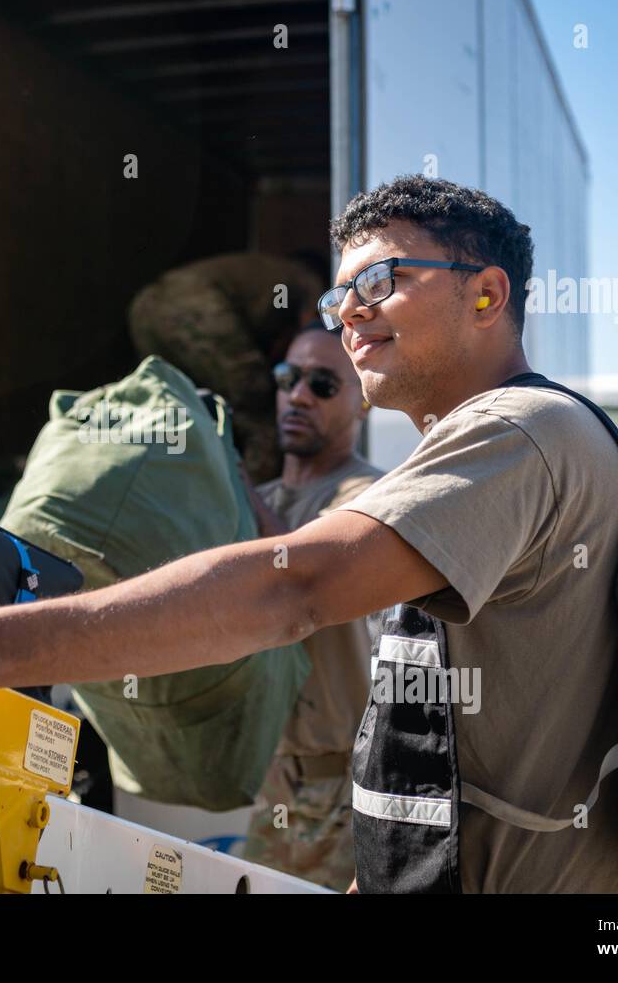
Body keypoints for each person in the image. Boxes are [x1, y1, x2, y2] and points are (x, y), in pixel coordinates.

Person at [0, 176, 618, 894]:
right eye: (341, 296)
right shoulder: (491, 448)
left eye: (382, 281)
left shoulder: (519, 432)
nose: (352, 312)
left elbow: (293, 588)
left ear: (488, 295)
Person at [239, 321, 381, 891]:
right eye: (288, 378)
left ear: (362, 402)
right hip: (273, 787)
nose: (297, 395)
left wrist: (232, 483)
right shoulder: (263, 499)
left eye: (323, 385)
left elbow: (297, 576)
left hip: (343, 795)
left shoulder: (370, 496)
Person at [127, 252, 325, 482]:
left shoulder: (270, 272)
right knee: (259, 410)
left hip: (145, 307)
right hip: (197, 308)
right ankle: (250, 500)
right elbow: (311, 342)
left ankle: (155, 484)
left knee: (168, 403)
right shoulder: (307, 279)